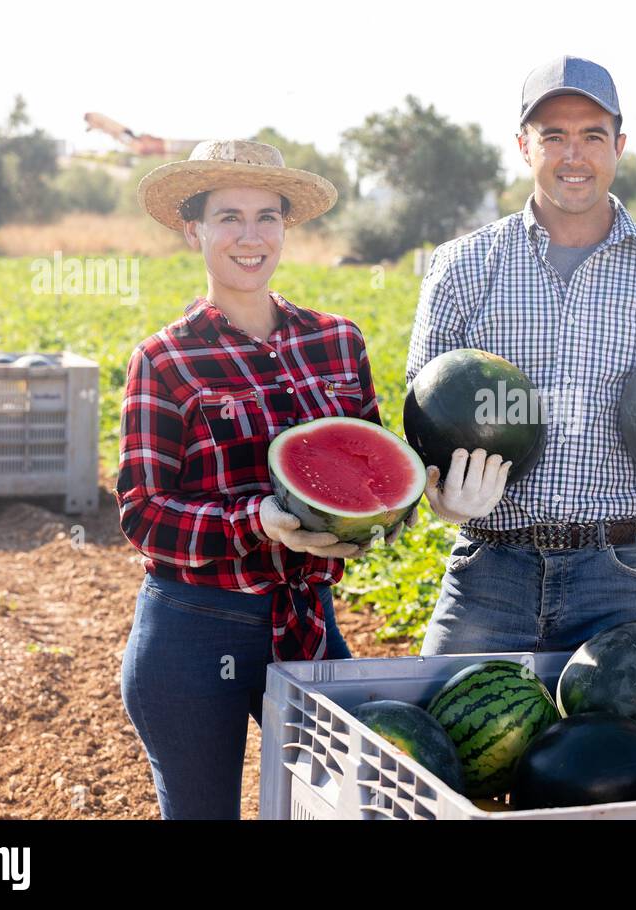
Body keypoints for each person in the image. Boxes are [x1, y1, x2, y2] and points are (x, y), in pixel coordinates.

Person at [406, 56, 636, 656]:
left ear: (619, 145)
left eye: (593, 136)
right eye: (554, 137)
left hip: (622, 571)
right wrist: (439, 491)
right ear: (523, 145)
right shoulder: (462, 267)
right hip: (490, 565)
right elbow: (423, 399)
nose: (574, 156)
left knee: (611, 748)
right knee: (449, 739)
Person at [117, 139, 414, 819]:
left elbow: (368, 474)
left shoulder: (338, 342)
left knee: (344, 804)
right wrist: (254, 522)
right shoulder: (165, 359)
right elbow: (143, 513)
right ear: (193, 229)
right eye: (228, 217)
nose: (250, 237)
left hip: (308, 618)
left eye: (267, 217)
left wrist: (381, 525)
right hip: (195, 629)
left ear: (288, 227)